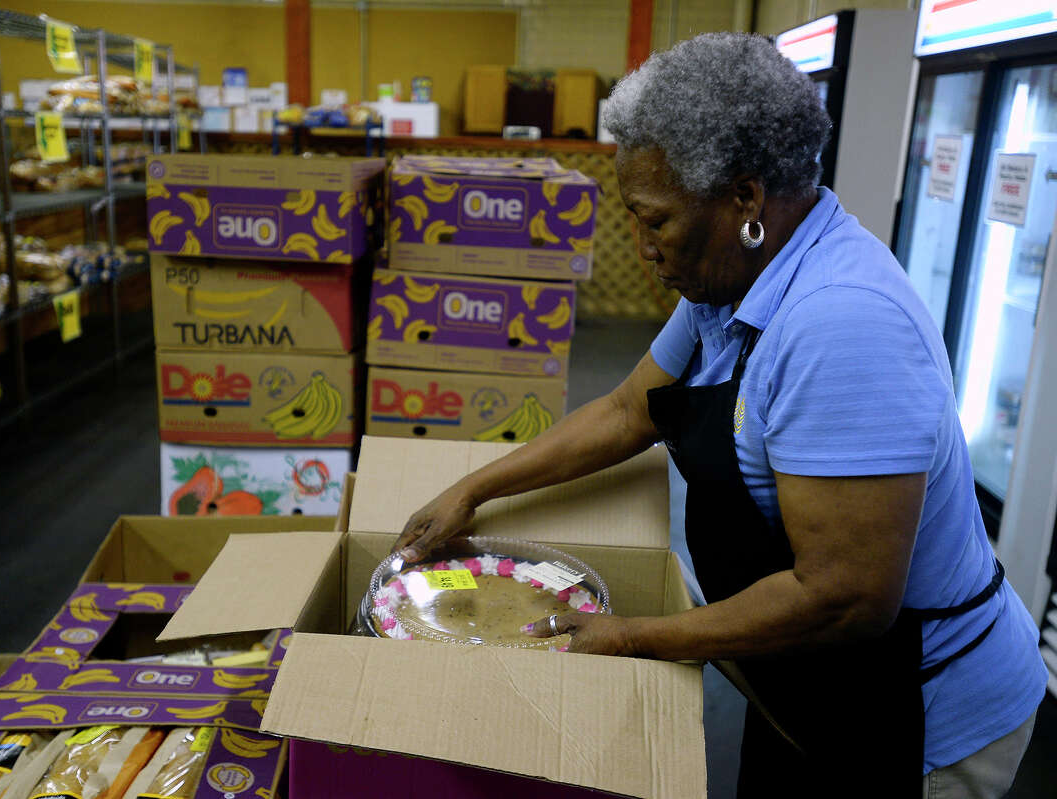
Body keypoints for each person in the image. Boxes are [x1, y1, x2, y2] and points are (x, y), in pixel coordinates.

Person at [393, 33, 1046, 797]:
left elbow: (844, 596)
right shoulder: (734, 280)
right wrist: (474, 489)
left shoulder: (843, 327)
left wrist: (635, 634)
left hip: (915, 718)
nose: (641, 247)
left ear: (743, 200)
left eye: (657, 221)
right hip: (799, 678)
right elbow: (627, 406)